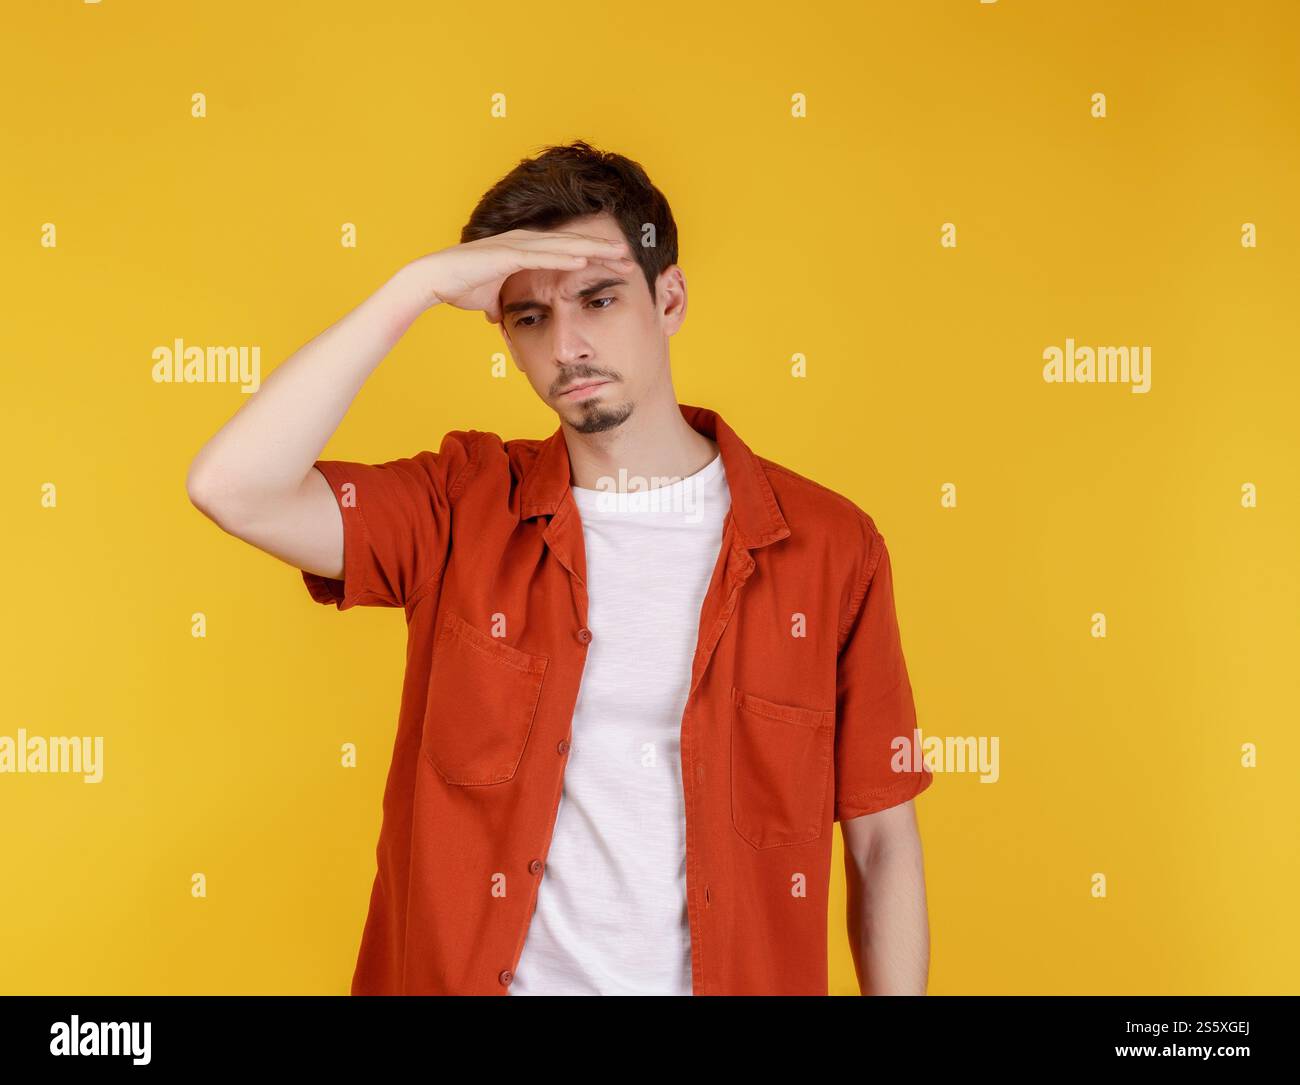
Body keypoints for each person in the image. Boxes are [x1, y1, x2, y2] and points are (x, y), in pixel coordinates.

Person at [186, 140, 933, 996]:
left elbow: (881, 839)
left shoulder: (828, 546)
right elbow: (230, 486)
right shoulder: (461, 506)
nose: (567, 344)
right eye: (530, 318)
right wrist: (412, 288)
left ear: (671, 297)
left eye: (599, 298)